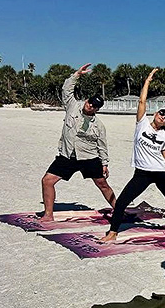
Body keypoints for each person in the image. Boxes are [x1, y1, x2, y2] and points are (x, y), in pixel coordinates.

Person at [99, 68, 165, 242]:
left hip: (161, 172)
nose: (162, 117)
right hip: (142, 173)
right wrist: (148, 81)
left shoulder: (164, 136)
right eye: (161, 113)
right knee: (121, 202)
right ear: (155, 113)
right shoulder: (141, 123)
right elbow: (142, 101)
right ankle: (112, 233)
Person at [40, 64, 116, 221]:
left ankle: (119, 209)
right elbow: (66, 90)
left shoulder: (99, 125)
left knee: (102, 184)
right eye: (90, 102)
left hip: (89, 157)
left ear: (97, 109)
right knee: (47, 181)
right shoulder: (72, 106)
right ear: (87, 100)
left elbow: (102, 145)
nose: (90, 106)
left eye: (95, 106)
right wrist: (76, 75)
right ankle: (48, 215)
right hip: (68, 155)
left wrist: (105, 163)